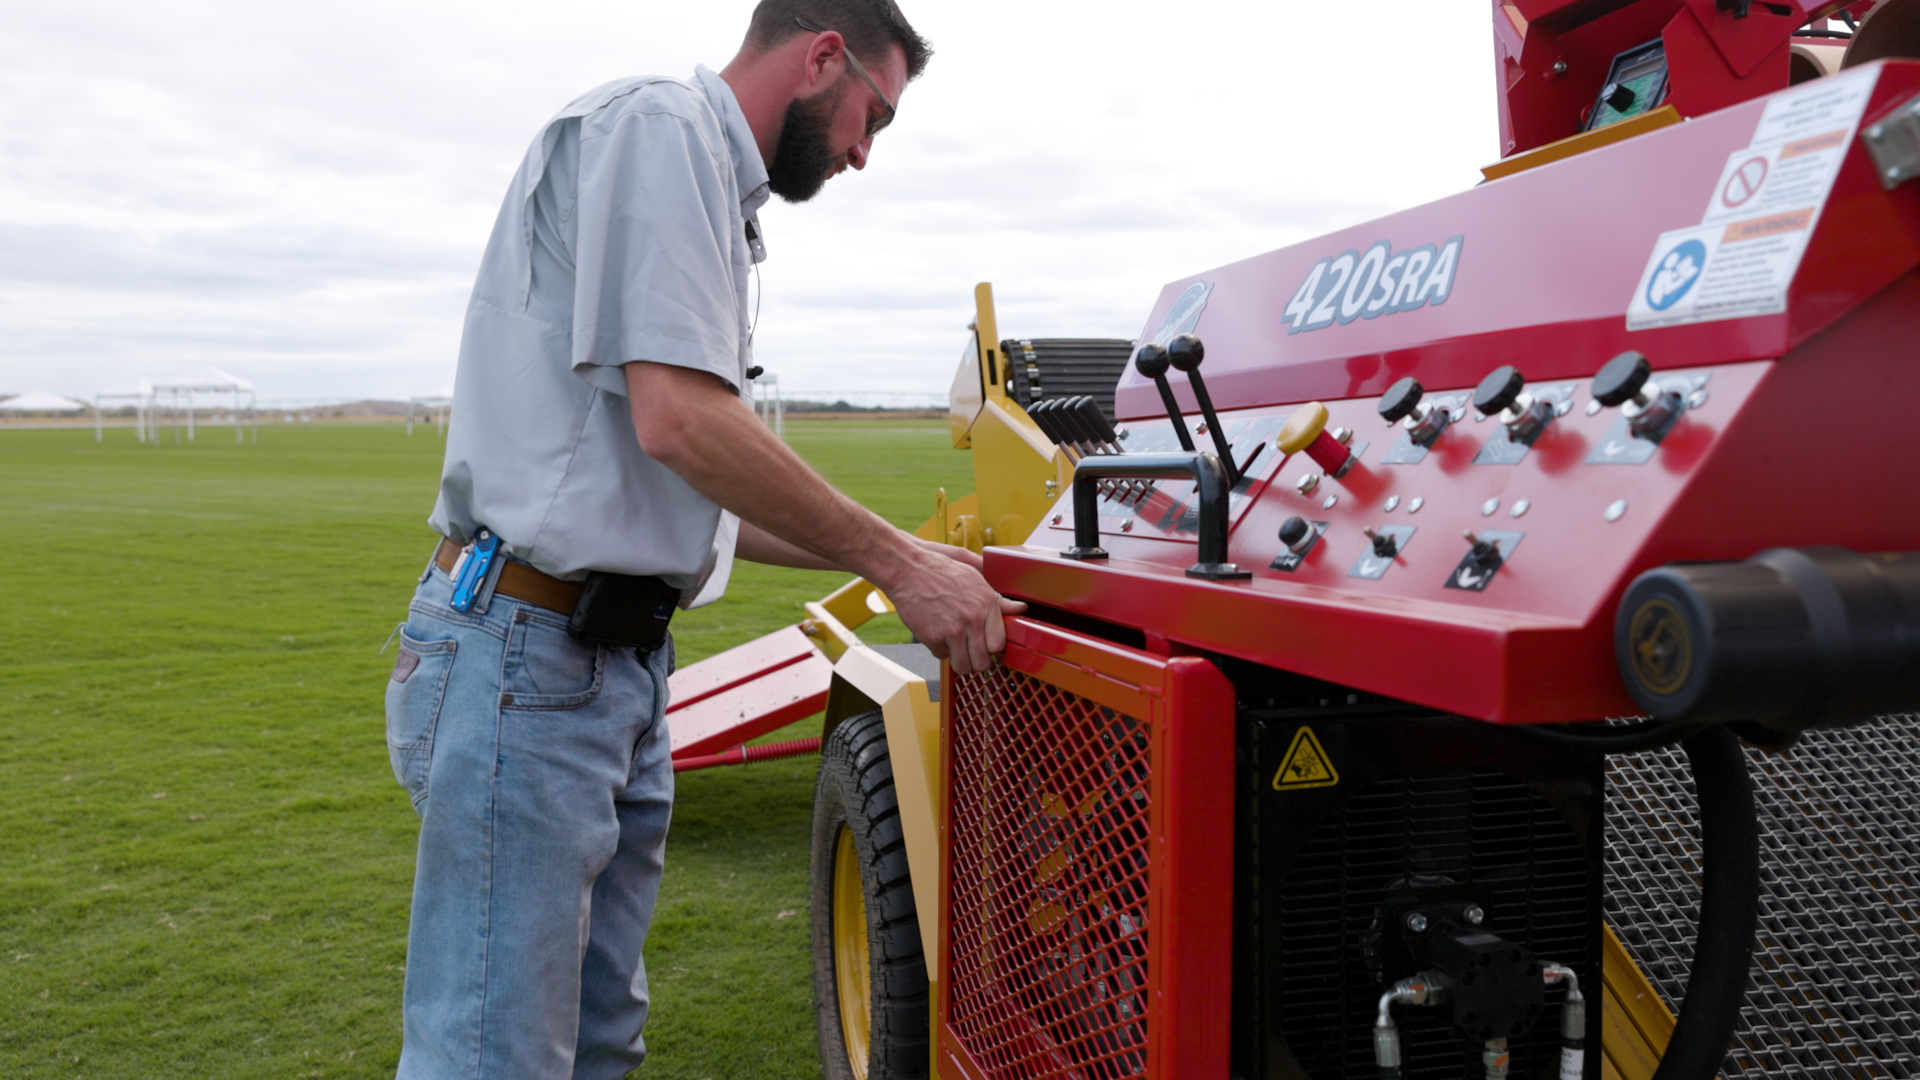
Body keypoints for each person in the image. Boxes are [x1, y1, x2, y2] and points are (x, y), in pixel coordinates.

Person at [381, 3, 1021, 1077]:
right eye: (877, 115)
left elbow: (687, 493)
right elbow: (681, 417)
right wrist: (894, 563)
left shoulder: (711, 190)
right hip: (527, 658)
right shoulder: (662, 130)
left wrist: (915, 551)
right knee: (493, 1059)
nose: (865, 152)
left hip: (604, 667)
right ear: (823, 56)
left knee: (596, 1045)